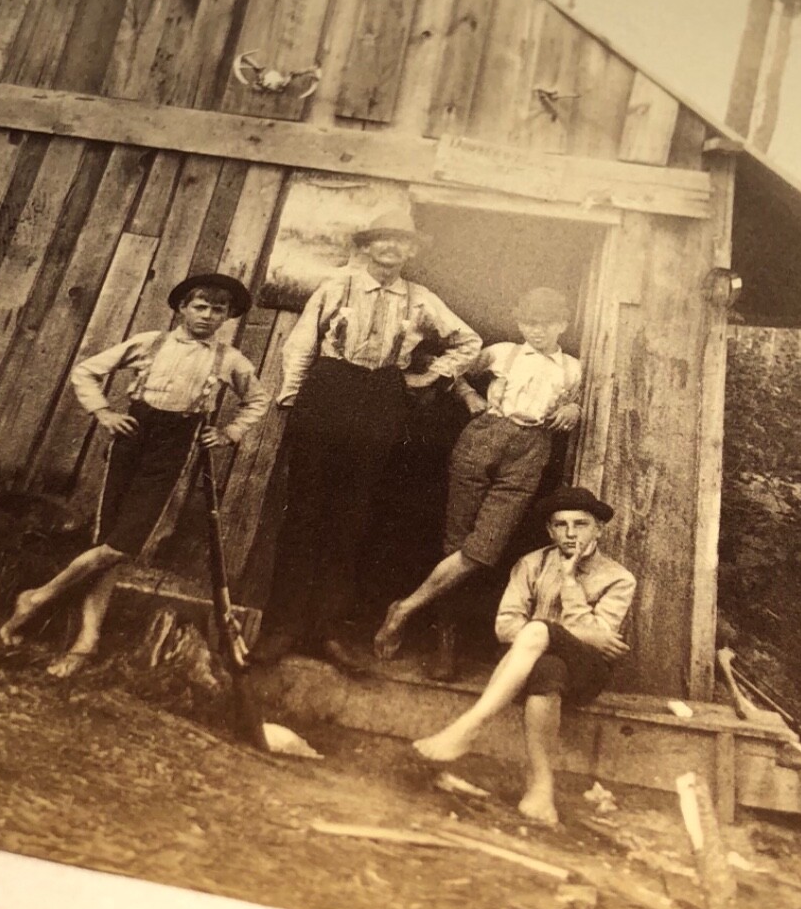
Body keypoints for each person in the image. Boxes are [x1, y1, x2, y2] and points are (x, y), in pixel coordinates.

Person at [0, 273, 269, 676]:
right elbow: (86, 371)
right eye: (200, 306)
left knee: (121, 547)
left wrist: (229, 432)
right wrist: (104, 412)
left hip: (171, 451)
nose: (208, 317)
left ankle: (36, 598)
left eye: (219, 310)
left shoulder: (229, 360)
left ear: (228, 317)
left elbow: (259, 399)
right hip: (133, 440)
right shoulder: (149, 342)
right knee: (108, 545)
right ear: (181, 308)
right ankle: (86, 642)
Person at [254, 208, 482, 673]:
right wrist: (294, 398)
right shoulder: (336, 287)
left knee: (352, 515)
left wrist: (428, 378)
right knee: (304, 511)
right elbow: (300, 344)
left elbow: (468, 342)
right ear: (367, 247)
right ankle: (283, 627)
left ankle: (328, 632)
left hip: (381, 395)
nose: (392, 248)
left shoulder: (420, 300)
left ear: (412, 251)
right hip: (329, 388)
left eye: (402, 242)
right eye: (383, 240)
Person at [373, 287, 584, 675]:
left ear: (563, 324)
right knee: (455, 542)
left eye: (546, 323)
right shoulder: (501, 351)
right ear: (519, 322)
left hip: (530, 449)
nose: (536, 331)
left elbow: (579, 403)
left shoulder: (573, 368)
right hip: (483, 436)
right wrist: (469, 396)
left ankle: (403, 609)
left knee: (484, 549)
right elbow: (457, 371)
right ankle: (444, 643)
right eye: (529, 322)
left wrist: (573, 407)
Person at [413, 487, 635, 826]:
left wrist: (570, 581)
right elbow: (505, 626)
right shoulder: (530, 564)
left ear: (598, 530)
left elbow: (598, 644)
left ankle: (469, 728)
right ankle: (540, 791)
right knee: (546, 668)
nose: (571, 533)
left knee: (536, 632)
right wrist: (566, 634)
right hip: (535, 666)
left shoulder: (619, 578)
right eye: (560, 525)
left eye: (581, 524)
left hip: (586, 672)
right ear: (549, 530)